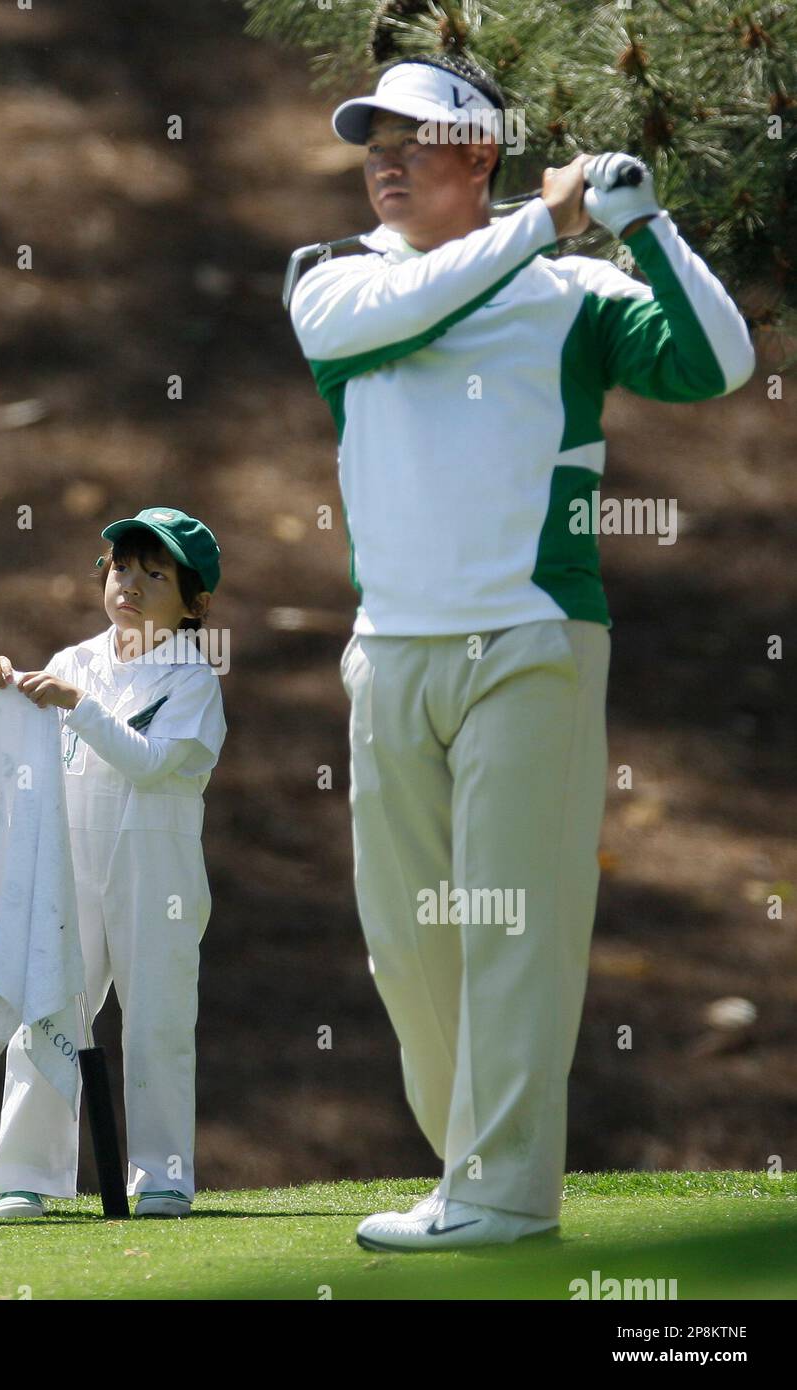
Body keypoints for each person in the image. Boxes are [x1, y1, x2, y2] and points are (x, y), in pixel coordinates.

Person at [288, 53, 755, 1251]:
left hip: (530, 639)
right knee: (406, 939)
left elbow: (716, 362)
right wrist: (543, 221)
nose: (382, 159)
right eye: (371, 140)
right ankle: (467, 1168)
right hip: (389, 648)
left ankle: (500, 1192)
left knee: (512, 922)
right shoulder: (331, 279)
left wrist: (640, 221)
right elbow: (408, 311)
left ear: (477, 153)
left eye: (414, 138)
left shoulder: (575, 296)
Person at [0, 507, 226, 1220]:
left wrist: (78, 707)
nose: (131, 585)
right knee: (46, 1010)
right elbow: (24, 744)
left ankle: (163, 1178)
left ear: (194, 603)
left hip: (158, 871)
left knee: (158, 1025)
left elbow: (148, 765)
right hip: (68, 862)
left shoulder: (193, 681)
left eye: (156, 573)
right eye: (121, 567)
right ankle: (27, 1177)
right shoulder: (71, 662)